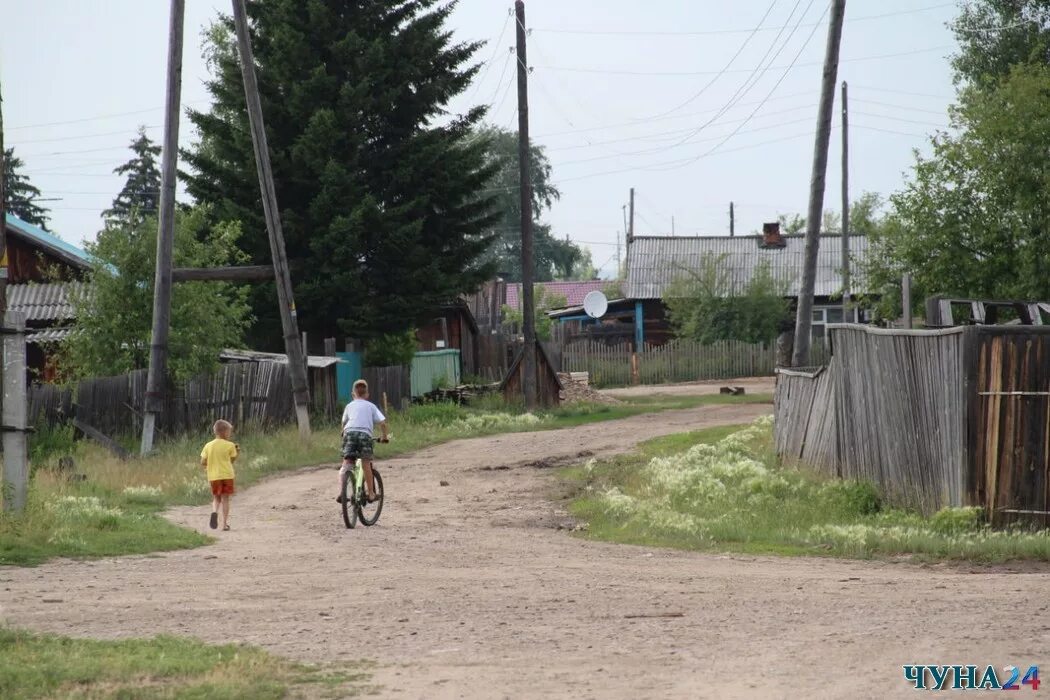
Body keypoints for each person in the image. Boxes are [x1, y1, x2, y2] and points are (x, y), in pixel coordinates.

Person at [338, 379, 389, 503]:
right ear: (367, 394)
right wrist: (384, 437)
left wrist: (343, 433)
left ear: (353, 394)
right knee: (366, 464)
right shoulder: (371, 406)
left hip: (349, 433)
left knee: (346, 463)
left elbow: (343, 422)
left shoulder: (349, 406)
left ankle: (342, 492)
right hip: (365, 435)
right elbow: (382, 423)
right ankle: (371, 493)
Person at [200, 419, 239, 531]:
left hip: (213, 476)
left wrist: (211, 463)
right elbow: (231, 460)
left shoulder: (208, 445)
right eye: (229, 432)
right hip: (227, 475)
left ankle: (214, 512)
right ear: (225, 432)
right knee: (225, 499)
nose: (230, 434)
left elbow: (202, 461)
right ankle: (224, 524)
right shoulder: (230, 445)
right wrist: (237, 453)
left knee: (216, 498)